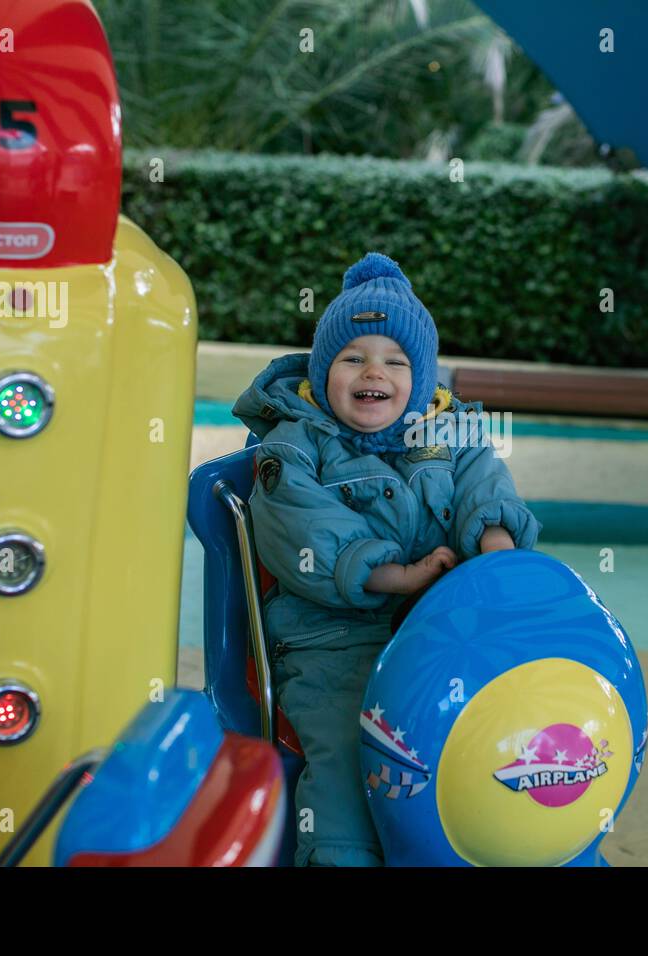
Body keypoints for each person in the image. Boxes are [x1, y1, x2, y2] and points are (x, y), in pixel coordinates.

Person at [231, 251, 542, 866]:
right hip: (335, 640)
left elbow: (485, 480)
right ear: (323, 374)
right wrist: (392, 574)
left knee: (492, 730)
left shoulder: (444, 435)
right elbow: (301, 528)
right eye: (353, 358)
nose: (375, 371)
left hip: (441, 631)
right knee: (359, 749)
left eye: (396, 361)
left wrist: (495, 543)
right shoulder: (293, 446)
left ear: (420, 380)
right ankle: (339, 855)